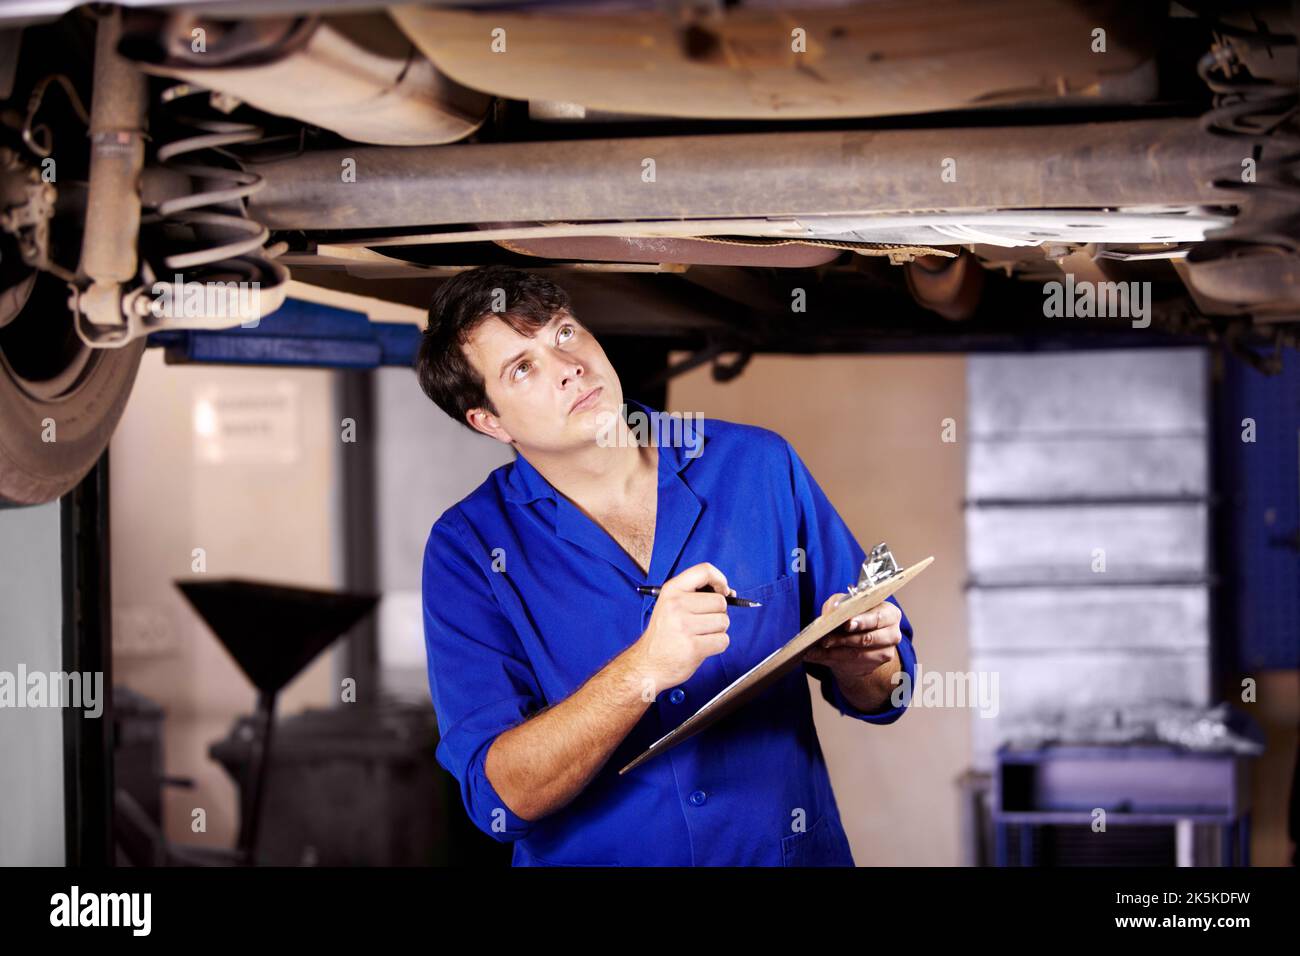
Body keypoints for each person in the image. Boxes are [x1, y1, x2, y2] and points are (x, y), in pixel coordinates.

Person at [414, 265, 918, 866]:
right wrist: (643, 670)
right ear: (489, 420)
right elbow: (501, 799)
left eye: (564, 332)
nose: (568, 366)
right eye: (522, 368)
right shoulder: (468, 549)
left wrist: (871, 661)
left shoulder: (757, 465)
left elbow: (888, 692)